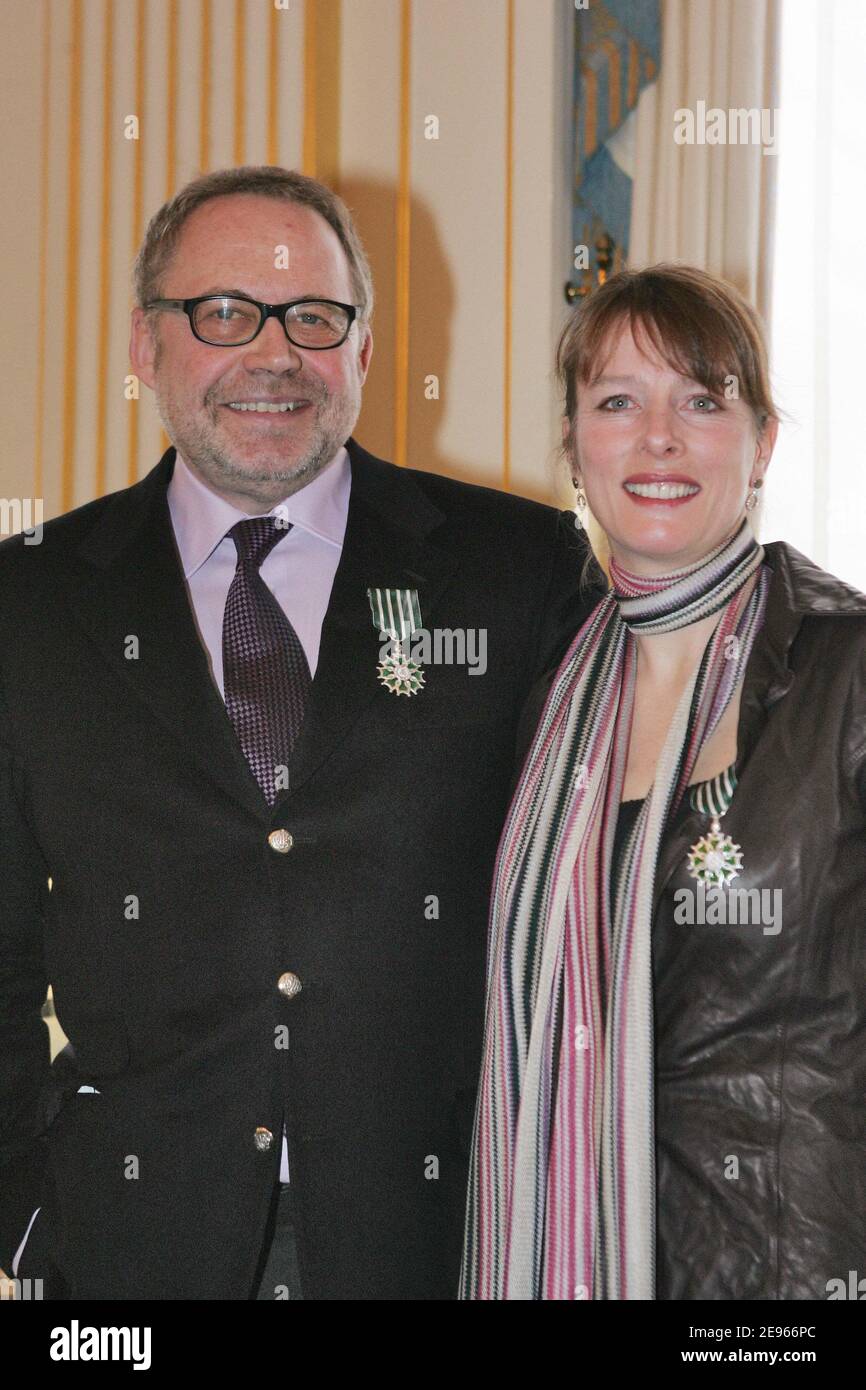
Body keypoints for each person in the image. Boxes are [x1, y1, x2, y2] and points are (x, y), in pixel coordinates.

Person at [0, 165, 605, 1300]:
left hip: (437, 1242)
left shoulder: (520, 574)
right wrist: (25, 1213)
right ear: (146, 347)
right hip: (128, 1256)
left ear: (363, 353)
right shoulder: (26, 605)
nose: (272, 355)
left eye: (313, 319)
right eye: (223, 312)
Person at [460, 263, 866, 1301]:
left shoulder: (845, 669)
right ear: (572, 446)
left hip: (784, 1282)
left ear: (761, 441)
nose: (657, 438)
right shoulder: (539, 687)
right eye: (615, 402)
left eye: (700, 399)